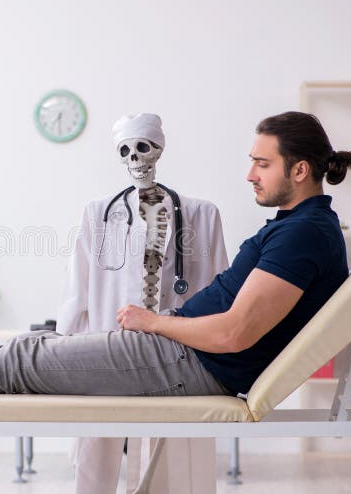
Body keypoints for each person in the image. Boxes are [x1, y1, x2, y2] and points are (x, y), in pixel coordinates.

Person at [0, 111, 351, 417]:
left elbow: (237, 332)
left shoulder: (304, 235)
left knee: (17, 363)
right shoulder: (300, 228)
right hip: (180, 353)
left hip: (186, 363)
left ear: (301, 169)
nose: (250, 175)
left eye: (262, 164)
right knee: (24, 349)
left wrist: (154, 320)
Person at [56, 113, 228, 494]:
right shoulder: (97, 213)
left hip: (178, 352)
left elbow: (221, 294)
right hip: (108, 347)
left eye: (142, 148)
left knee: (179, 458)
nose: (135, 159)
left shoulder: (202, 214)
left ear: (159, 150)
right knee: (96, 455)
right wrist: (62, 350)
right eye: (126, 151)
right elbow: (75, 291)